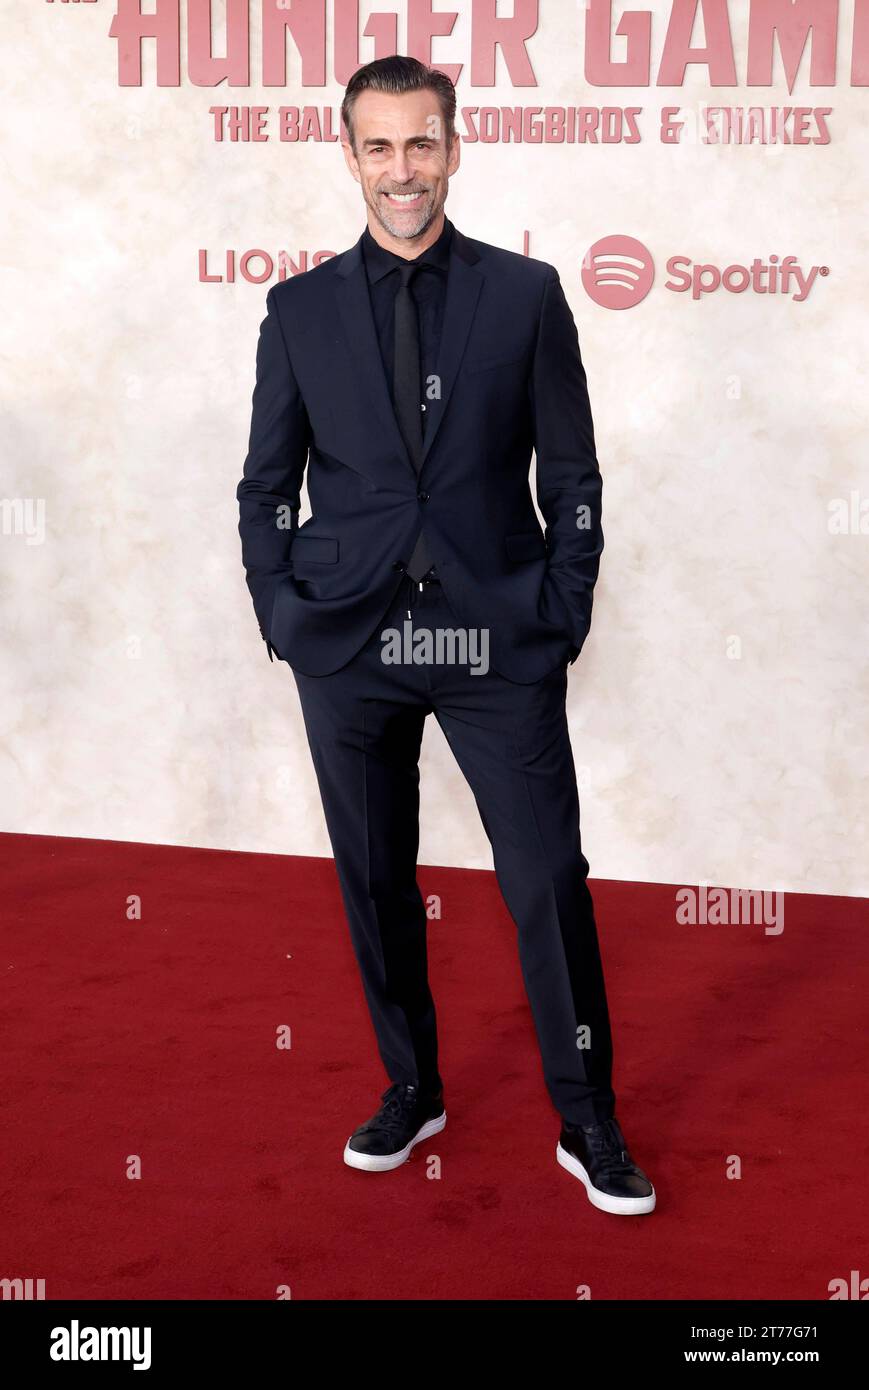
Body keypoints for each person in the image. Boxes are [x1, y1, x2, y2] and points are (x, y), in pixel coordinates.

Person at [236, 55, 655, 1215]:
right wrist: (282, 607)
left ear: (454, 148)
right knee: (373, 877)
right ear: (351, 157)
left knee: (543, 880)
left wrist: (560, 606)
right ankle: (411, 1085)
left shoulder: (523, 295)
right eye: (378, 147)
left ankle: (586, 1118)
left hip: (492, 638)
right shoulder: (299, 310)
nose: (401, 169)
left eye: (421, 143)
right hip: (350, 642)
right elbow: (264, 484)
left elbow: (571, 475)